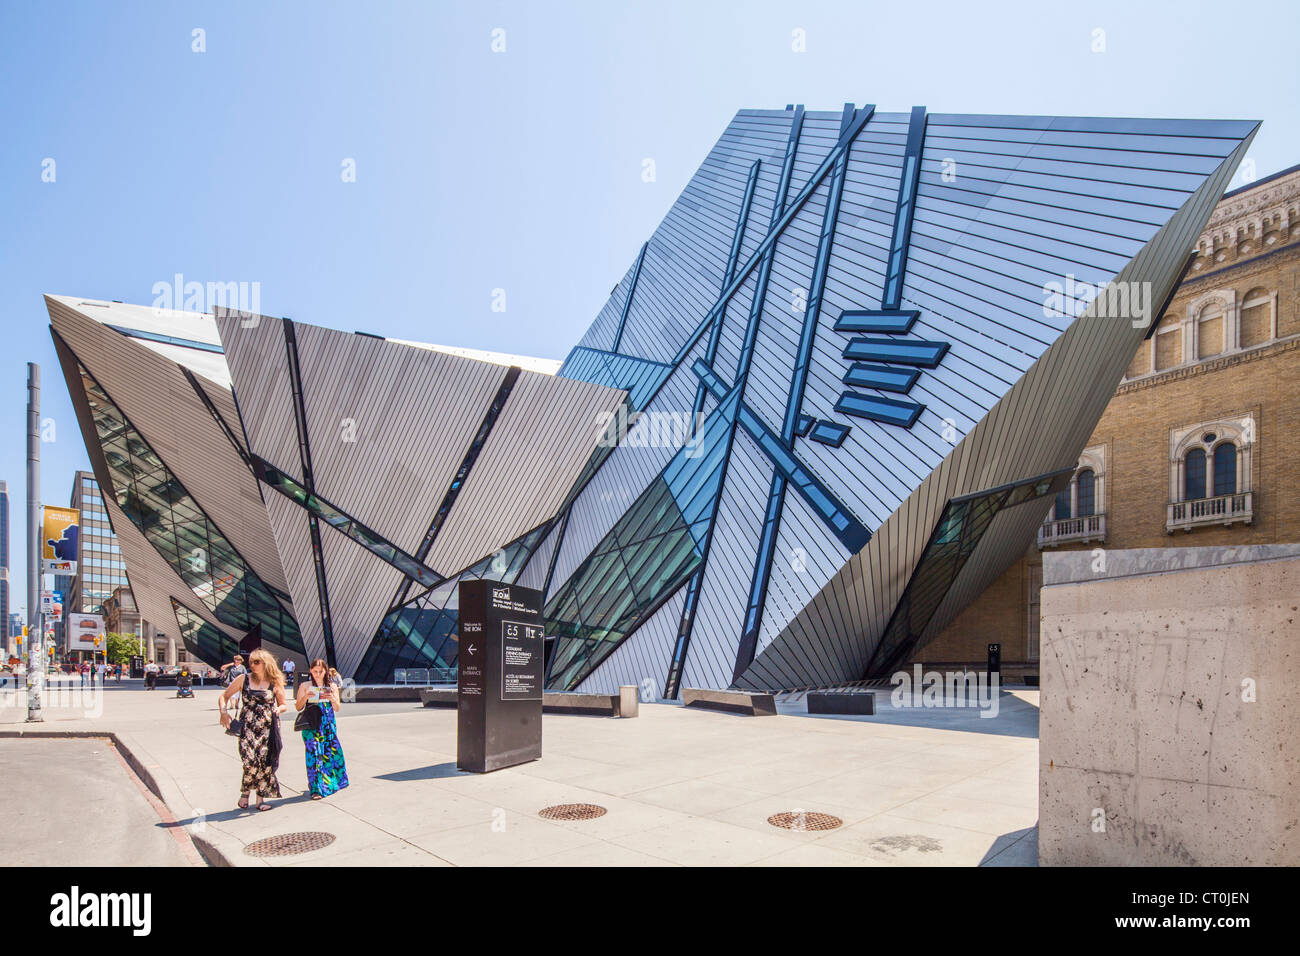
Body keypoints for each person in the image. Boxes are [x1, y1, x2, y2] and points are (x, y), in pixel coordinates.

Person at [217, 649, 286, 811]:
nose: (252, 665)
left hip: (267, 728)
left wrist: (279, 709)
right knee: (249, 760)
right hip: (247, 727)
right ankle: (245, 792)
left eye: (256, 662)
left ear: (266, 663)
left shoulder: (274, 682)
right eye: (251, 662)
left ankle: (259, 799)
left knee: (263, 761)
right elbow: (224, 696)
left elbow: (283, 704)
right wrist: (223, 712)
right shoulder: (244, 679)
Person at [295, 659, 348, 800]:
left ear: (325, 671)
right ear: (310, 671)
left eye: (320, 671)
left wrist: (332, 698)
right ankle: (316, 788)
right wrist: (306, 696)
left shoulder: (332, 686)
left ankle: (330, 782)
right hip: (312, 724)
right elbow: (298, 707)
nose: (318, 674)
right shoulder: (305, 685)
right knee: (314, 753)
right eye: (315, 671)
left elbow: (337, 708)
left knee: (329, 752)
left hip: (327, 723)